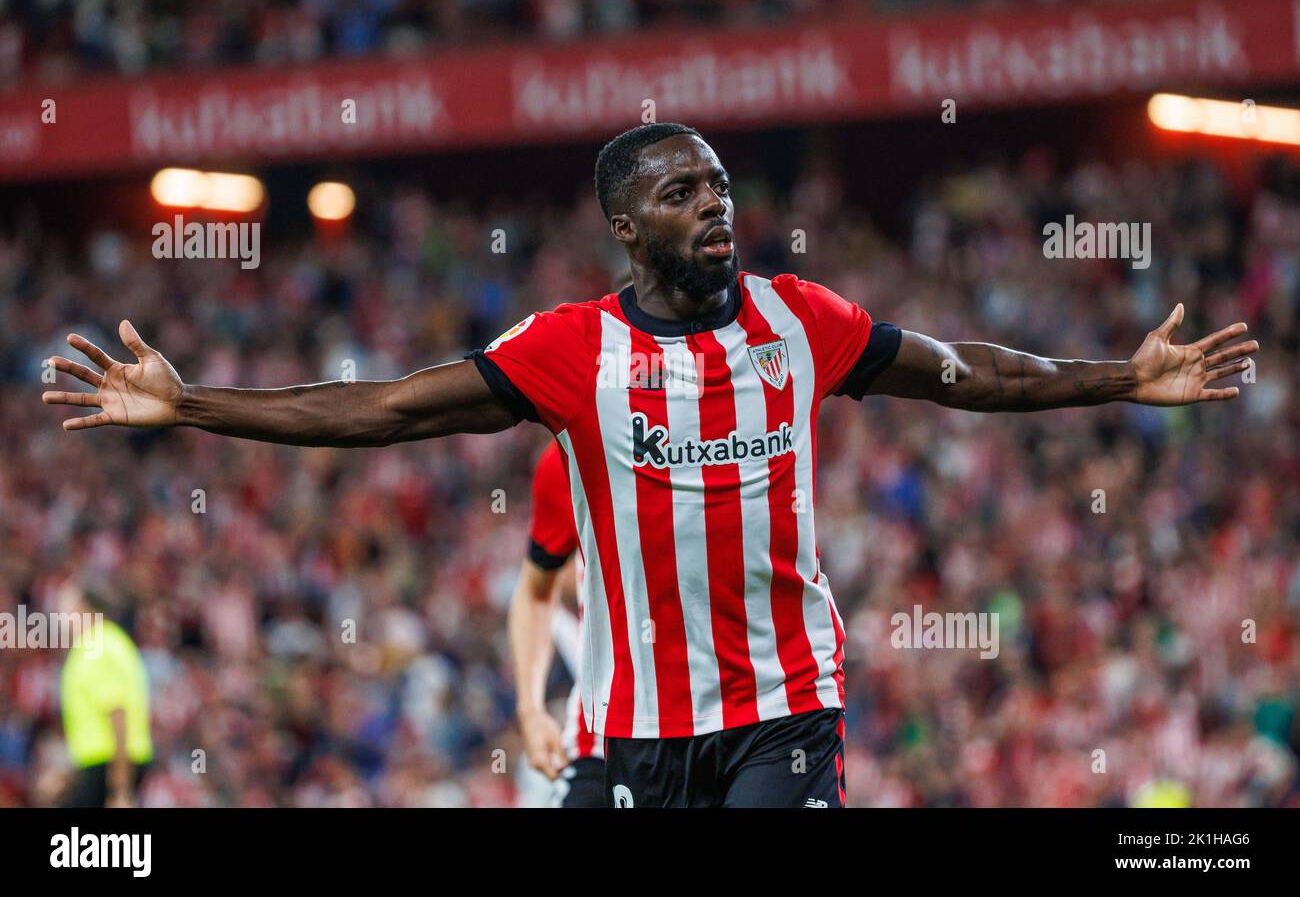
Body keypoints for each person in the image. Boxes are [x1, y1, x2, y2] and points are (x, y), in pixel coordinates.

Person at [42, 122, 1258, 807]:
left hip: (783, 710)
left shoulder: (799, 321)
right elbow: (384, 410)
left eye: (721, 187)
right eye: (683, 193)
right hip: (628, 728)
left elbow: (968, 372)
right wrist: (195, 403)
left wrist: (1120, 375)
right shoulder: (573, 351)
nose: (715, 207)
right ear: (628, 227)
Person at [509, 440, 604, 807]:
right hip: (602, 742)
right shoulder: (571, 454)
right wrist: (530, 711)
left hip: (743, 727)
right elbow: (534, 590)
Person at [57, 587, 153, 807]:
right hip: (107, 762)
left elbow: (116, 710)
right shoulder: (112, 643)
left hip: (108, 762)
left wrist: (120, 785)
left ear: (85, 609)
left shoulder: (97, 647)